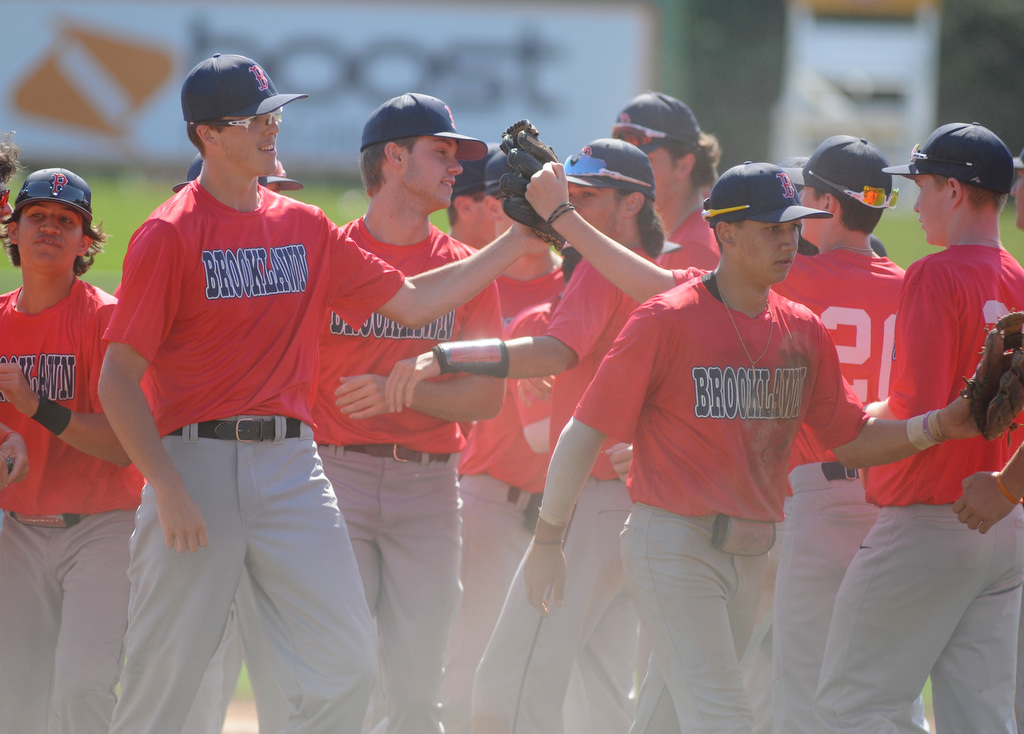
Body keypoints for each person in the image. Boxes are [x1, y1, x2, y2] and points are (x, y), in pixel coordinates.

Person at [97, 54, 548, 734]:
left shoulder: (305, 227)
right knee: (168, 681)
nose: (273, 127)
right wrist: (166, 485)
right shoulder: (168, 233)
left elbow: (417, 300)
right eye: (257, 119)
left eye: (275, 113)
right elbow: (117, 379)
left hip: (293, 467)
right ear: (209, 135)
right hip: (194, 463)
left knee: (348, 670)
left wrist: (518, 240)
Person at [515, 159, 982, 733]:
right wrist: (547, 539)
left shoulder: (802, 329)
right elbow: (582, 432)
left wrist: (939, 426)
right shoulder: (665, 320)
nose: (789, 242)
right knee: (726, 718)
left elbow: (854, 439)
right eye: (772, 229)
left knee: (665, 720)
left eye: (793, 227)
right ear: (726, 233)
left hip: (753, 556)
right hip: (673, 545)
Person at [387, 138, 663, 734]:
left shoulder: (596, 272)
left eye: (589, 196)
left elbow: (553, 352)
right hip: (642, 506)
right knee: (605, 700)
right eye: (574, 193)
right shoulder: (669, 281)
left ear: (632, 205)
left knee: (506, 688)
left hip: (590, 508)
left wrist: (447, 353)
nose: (572, 206)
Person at [814, 122, 1024, 733]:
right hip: (1004, 521)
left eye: (925, 185)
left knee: (852, 708)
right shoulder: (1017, 278)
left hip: (930, 517)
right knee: (981, 716)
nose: (916, 201)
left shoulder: (935, 274)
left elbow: (922, 410)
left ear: (955, 192)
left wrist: (857, 416)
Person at [311, 91, 506, 734]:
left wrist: (407, 389)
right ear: (393, 158)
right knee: (345, 673)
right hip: (334, 478)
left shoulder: (465, 272)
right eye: (441, 152)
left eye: (457, 156)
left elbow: (485, 397)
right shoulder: (327, 256)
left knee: (421, 691)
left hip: (430, 486)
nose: (456, 167)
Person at [768, 136, 918, 734]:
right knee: (887, 685)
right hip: (897, 497)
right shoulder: (912, 284)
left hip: (819, 494)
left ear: (828, 206)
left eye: (805, 194)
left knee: (802, 683)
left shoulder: (792, 279)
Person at [0, 167, 141, 734]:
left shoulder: (105, 319)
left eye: (67, 220)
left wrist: (38, 410)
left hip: (101, 529)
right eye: (36, 216)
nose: (49, 228)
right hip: (17, 531)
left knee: (82, 687)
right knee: (15, 697)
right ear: (13, 232)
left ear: (87, 242)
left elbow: (123, 446)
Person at [440, 151, 566, 734]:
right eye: (510, 201)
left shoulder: (579, 283)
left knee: (555, 669)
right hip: (490, 502)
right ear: (490, 207)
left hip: (570, 513)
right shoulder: (468, 282)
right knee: (467, 660)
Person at [612, 91, 720, 271]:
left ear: (683, 166)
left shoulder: (694, 247)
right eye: (621, 161)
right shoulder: (676, 238)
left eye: (643, 160)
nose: (626, 172)